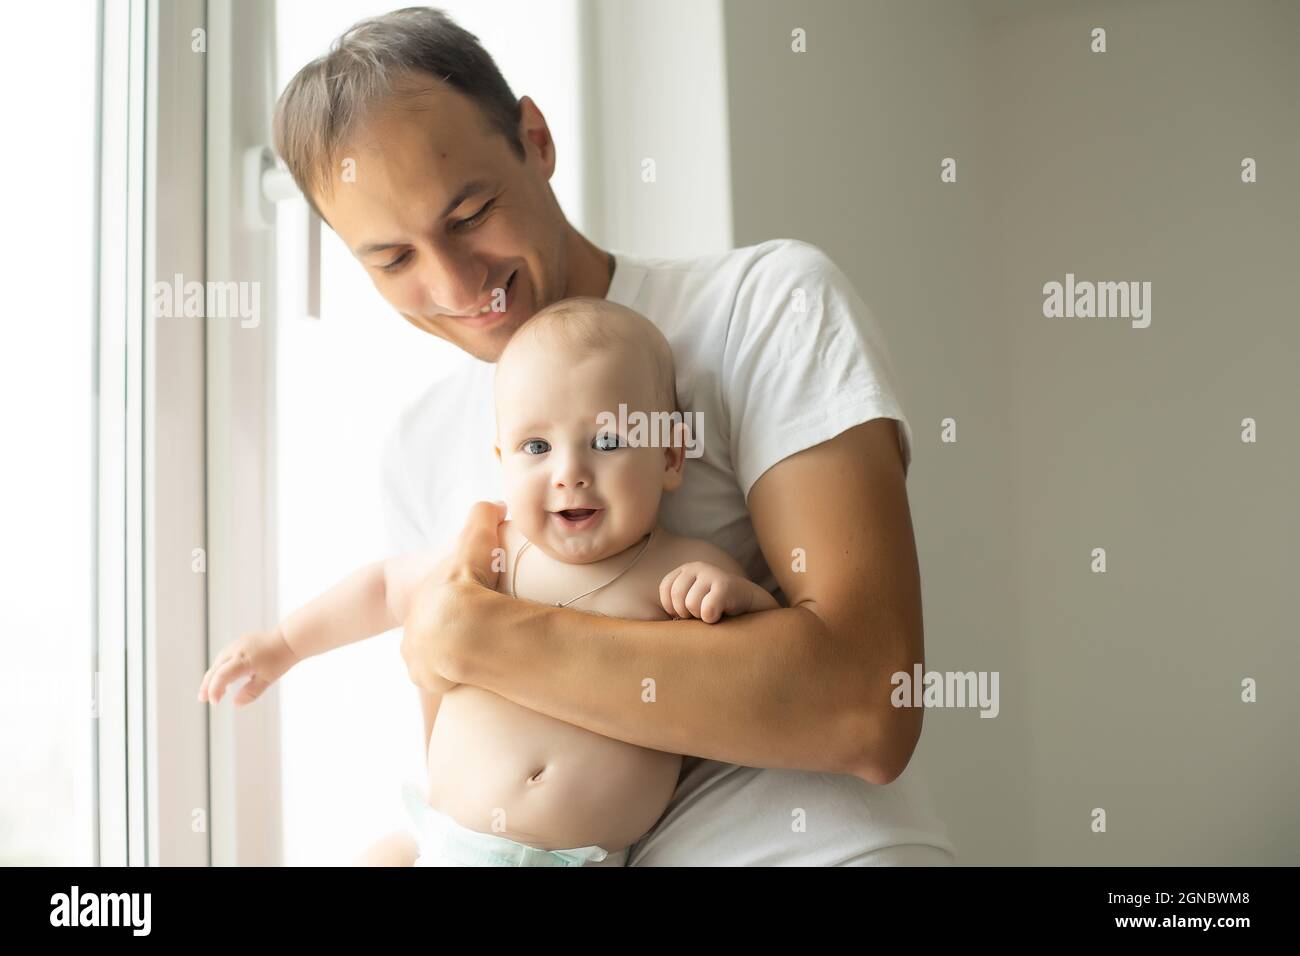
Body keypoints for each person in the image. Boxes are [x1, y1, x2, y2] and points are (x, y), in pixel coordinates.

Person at [270, 6, 956, 865]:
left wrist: (487, 638)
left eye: (470, 212)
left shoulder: (764, 307)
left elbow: (869, 705)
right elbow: (468, 777)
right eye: (393, 260)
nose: (453, 281)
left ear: (536, 138)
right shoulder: (418, 448)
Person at [199, 299, 781, 866]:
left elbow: (764, 658)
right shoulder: (492, 553)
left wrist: (733, 595)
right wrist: (283, 644)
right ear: (503, 459)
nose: (569, 473)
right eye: (537, 447)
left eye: (607, 441)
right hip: (444, 843)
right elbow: (383, 589)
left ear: (672, 456)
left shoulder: (683, 571)